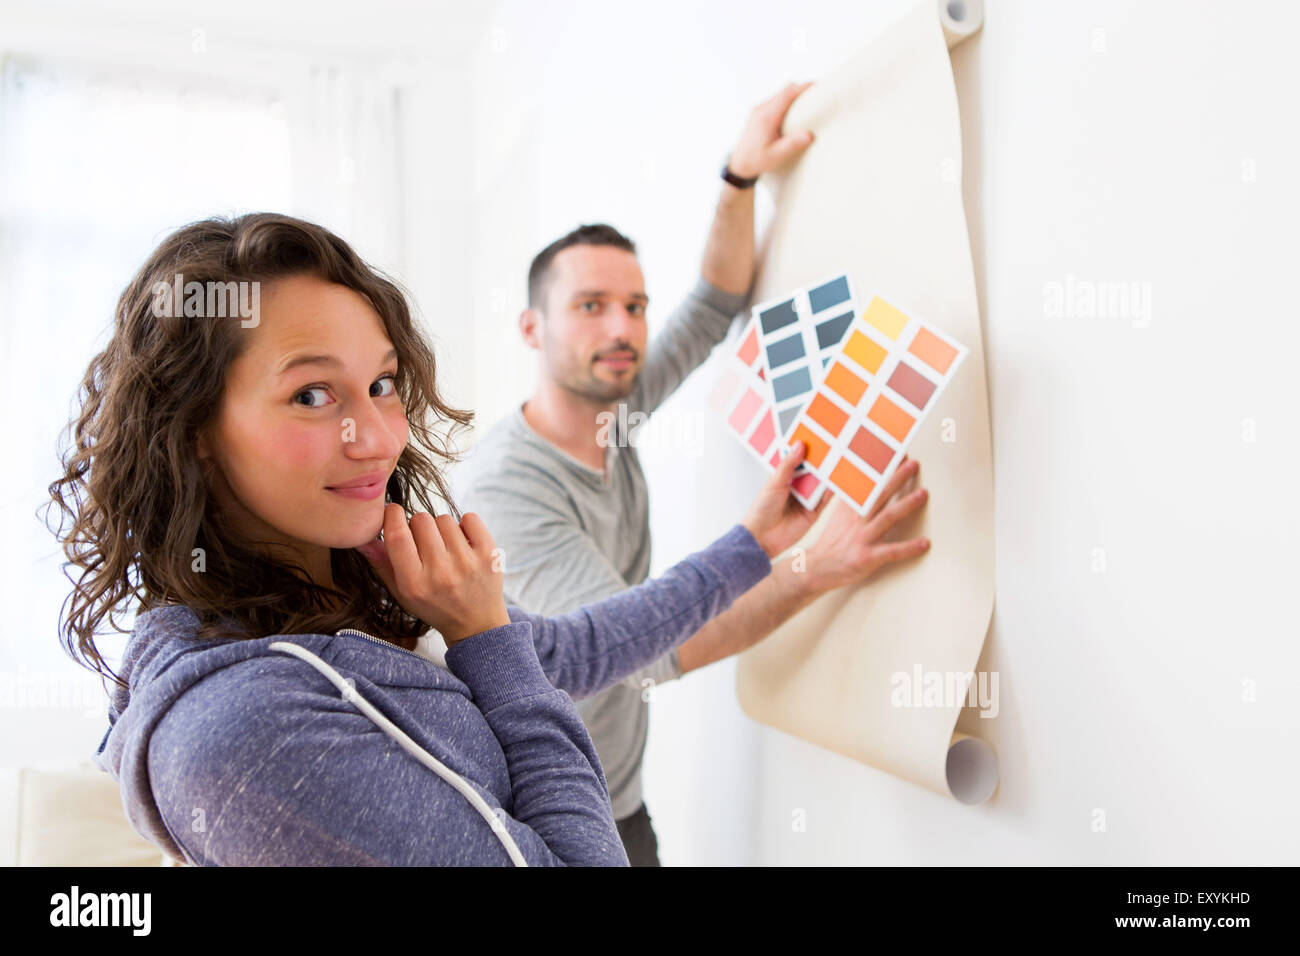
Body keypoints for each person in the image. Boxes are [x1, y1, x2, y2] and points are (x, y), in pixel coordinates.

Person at [47, 212, 840, 866]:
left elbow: (571, 650)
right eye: (313, 393)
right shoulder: (248, 730)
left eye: (384, 384)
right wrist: (486, 638)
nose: (378, 438)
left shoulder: (368, 571)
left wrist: (752, 544)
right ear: (193, 432)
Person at [453, 84, 933, 864]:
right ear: (531, 328)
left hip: (618, 798)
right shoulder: (507, 488)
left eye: (636, 306)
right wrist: (812, 565)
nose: (622, 329)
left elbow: (713, 306)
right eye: (592, 306)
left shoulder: (617, 402)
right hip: (544, 823)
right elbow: (645, 647)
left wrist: (738, 179)